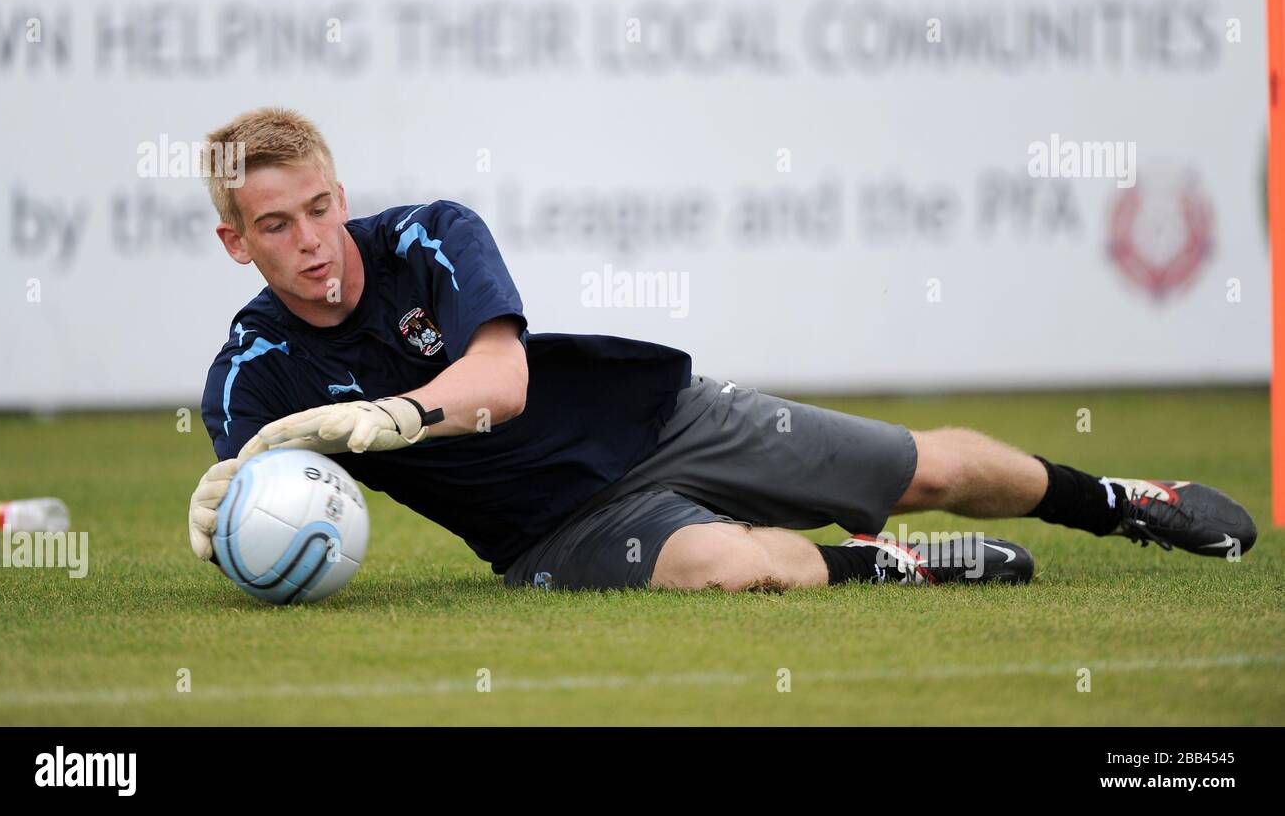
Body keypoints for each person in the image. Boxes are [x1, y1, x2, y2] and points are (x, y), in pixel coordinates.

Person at [189, 108, 1257, 593]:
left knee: (933, 467)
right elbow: (250, 490)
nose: (312, 242)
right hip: (550, 533)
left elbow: (502, 382)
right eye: (276, 226)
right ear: (237, 241)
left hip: (658, 417)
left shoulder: (430, 235)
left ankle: (1119, 501)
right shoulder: (251, 370)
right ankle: (879, 565)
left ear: (341, 190)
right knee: (736, 565)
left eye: (321, 207)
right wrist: (228, 507)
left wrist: (396, 415)